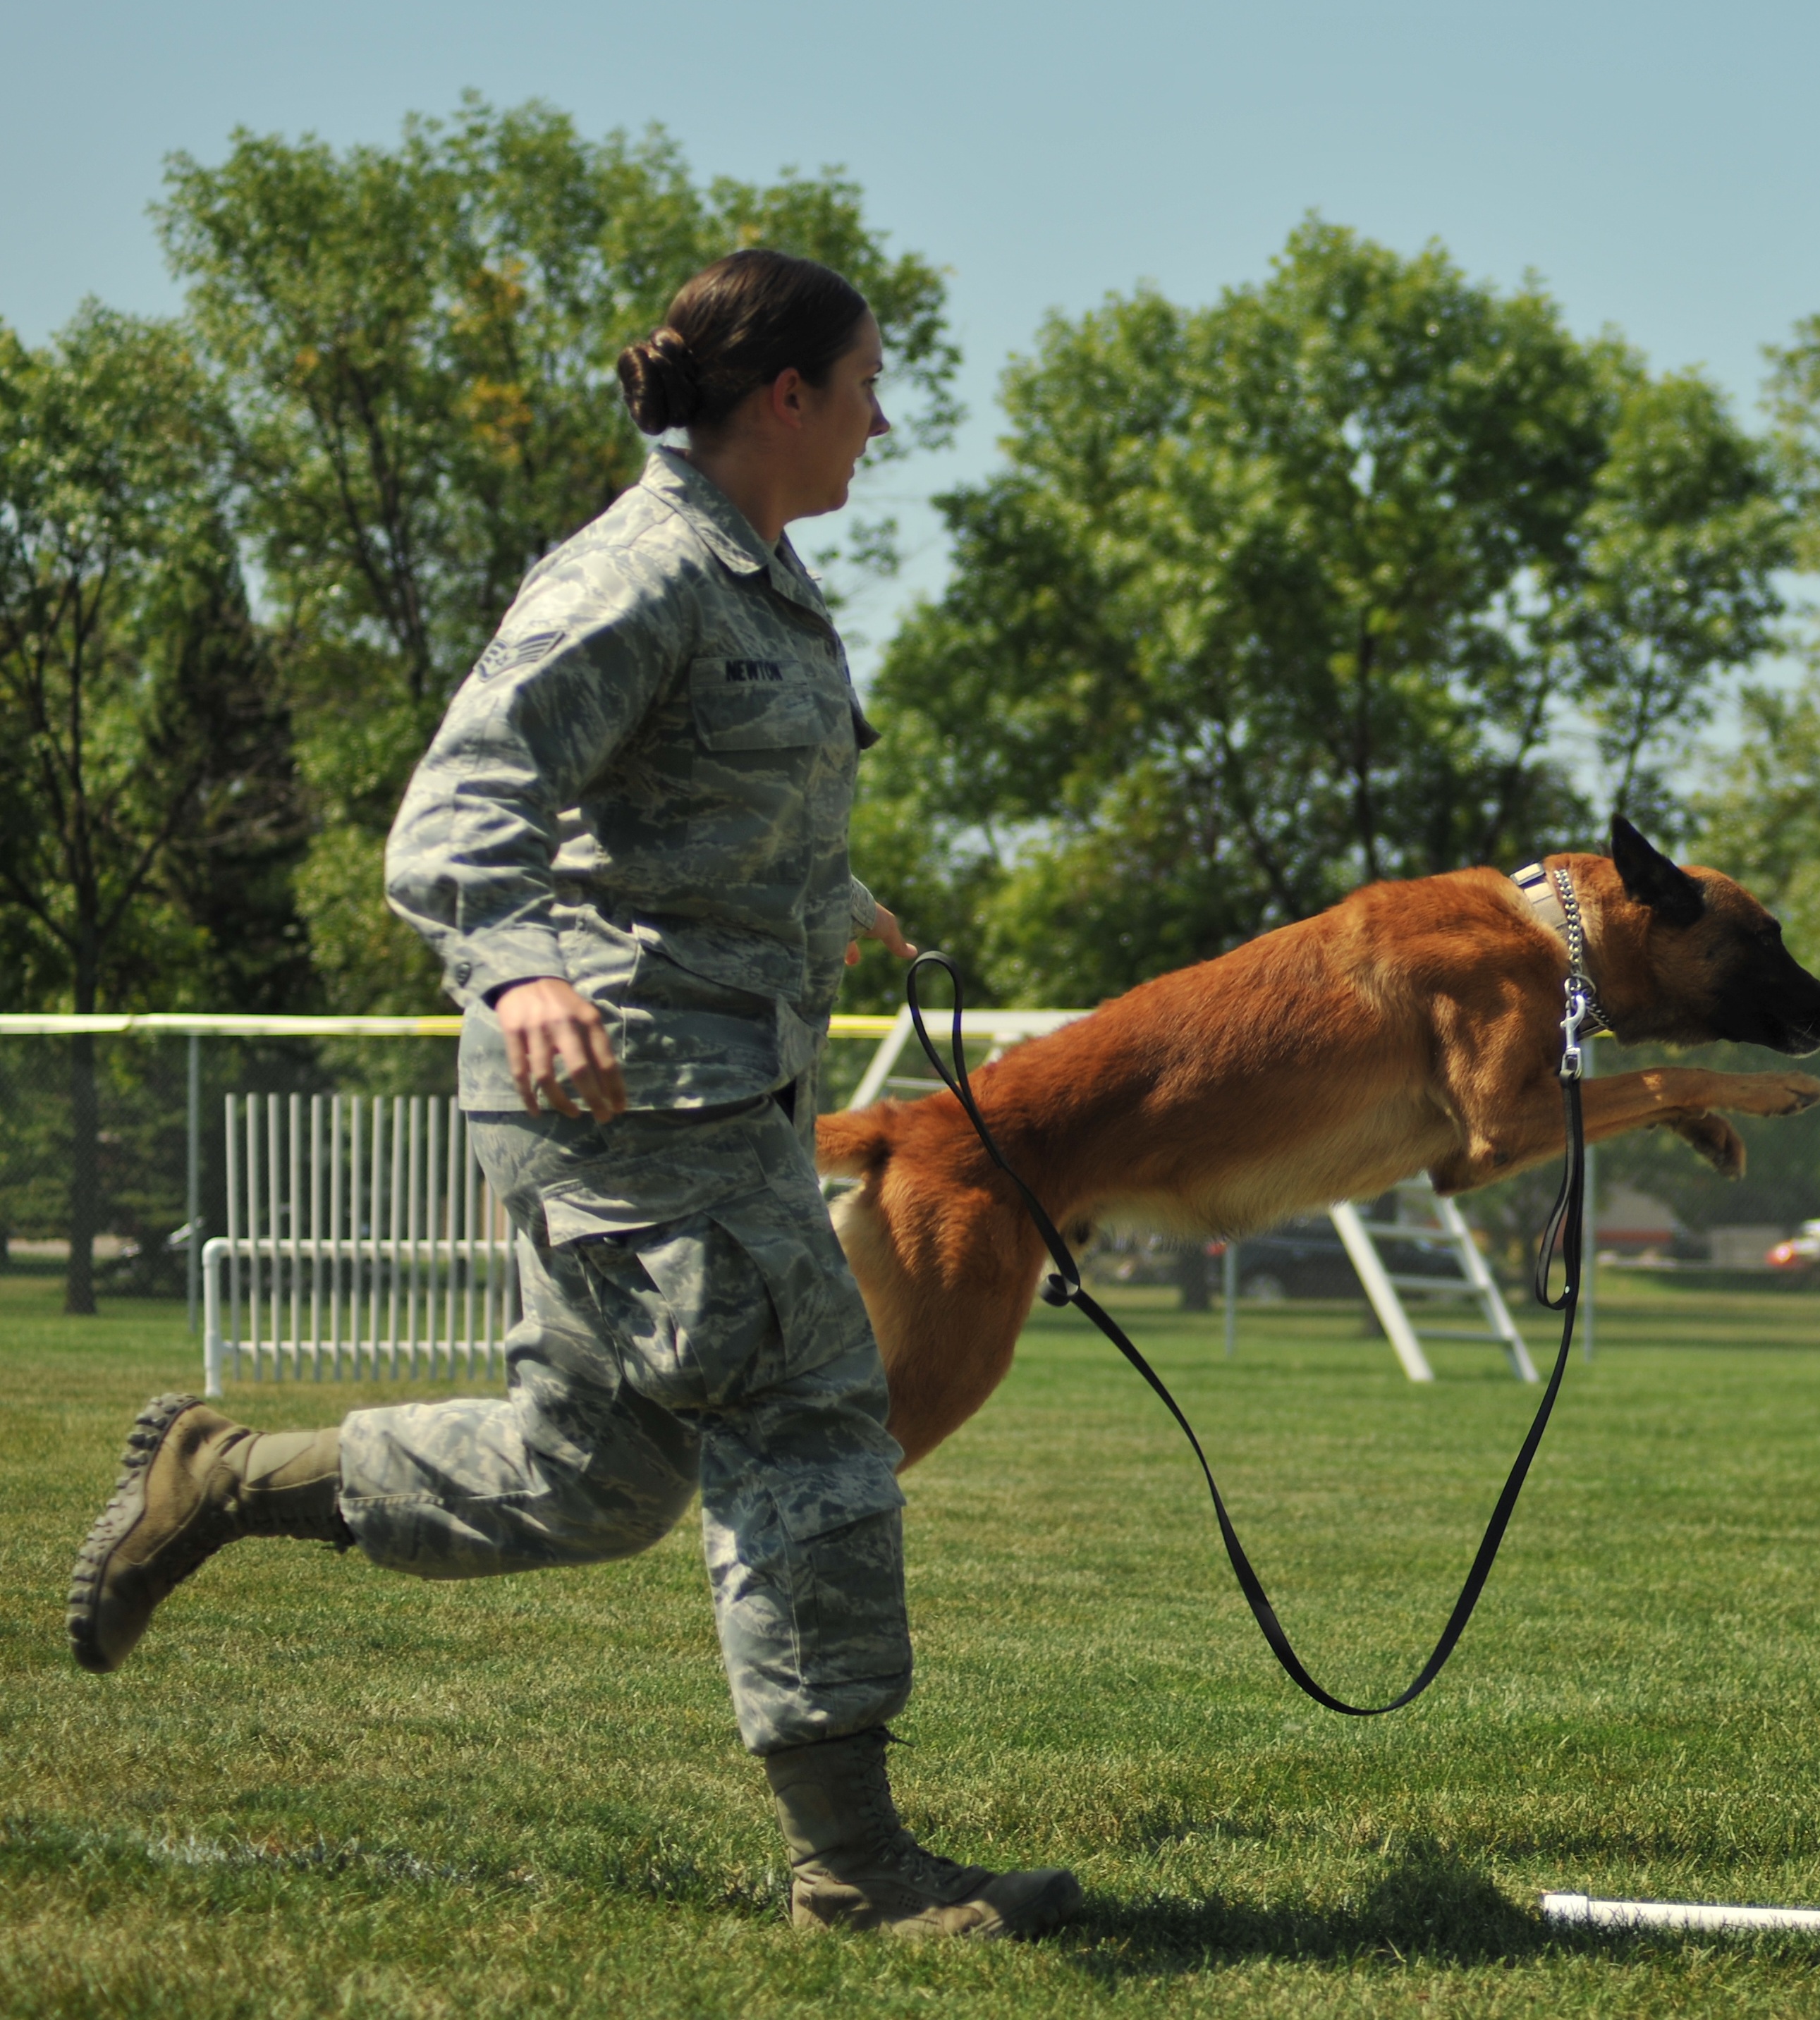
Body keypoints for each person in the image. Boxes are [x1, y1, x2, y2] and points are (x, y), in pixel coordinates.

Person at [66, 248, 1079, 1942]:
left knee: (590, 1471)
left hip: (710, 1090)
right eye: (868, 385)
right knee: (809, 1407)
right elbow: (459, 812)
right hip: (634, 1099)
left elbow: (679, 815)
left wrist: (837, 900)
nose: (883, 420)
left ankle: (223, 1474)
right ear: (784, 396)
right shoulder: (638, 573)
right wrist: (523, 964)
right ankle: (856, 1859)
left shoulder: (757, 574)